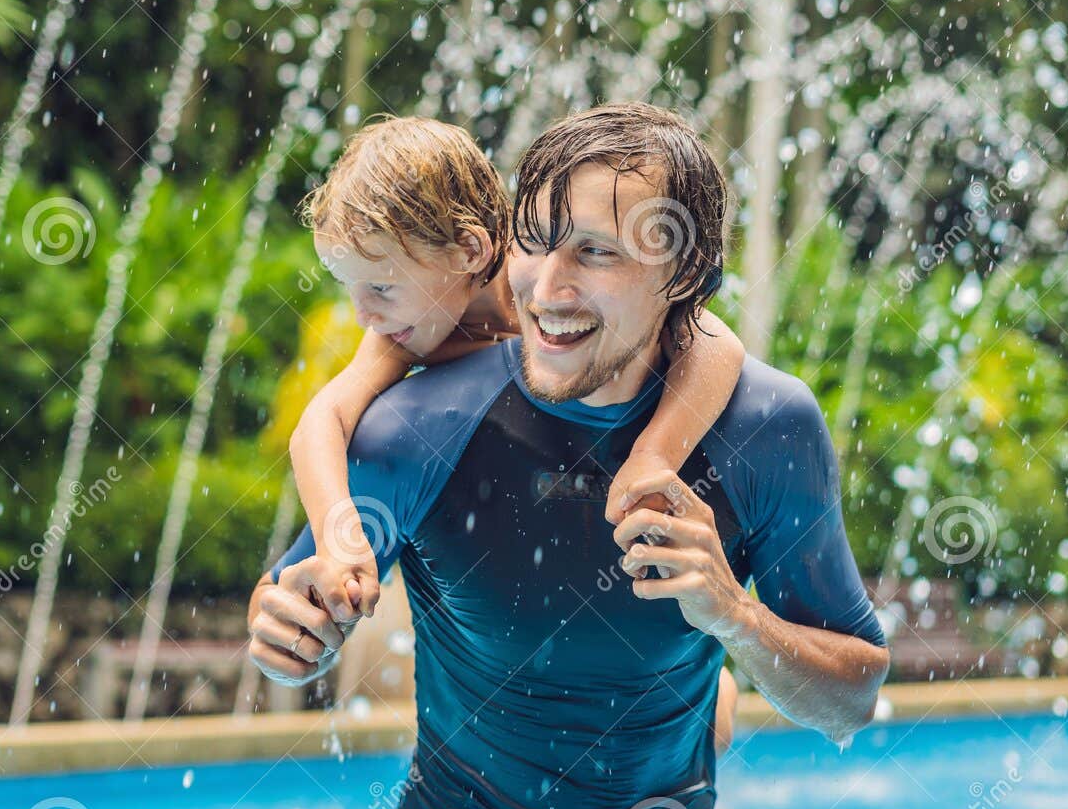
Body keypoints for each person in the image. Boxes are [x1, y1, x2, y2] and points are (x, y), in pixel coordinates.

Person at [249, 103, 889, 809]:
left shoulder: (765, 428)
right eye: (535, 239)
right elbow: (298, 590)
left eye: (595, 252)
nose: (546, 289)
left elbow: (851, 701)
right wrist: (288, 627)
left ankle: (706, 696)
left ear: (682, 273)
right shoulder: (419, 419)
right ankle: (704, 699)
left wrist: (737, 617)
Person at [285, 114, 745, 742]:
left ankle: (703, 683)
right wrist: (338, 541)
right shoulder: (406, 332)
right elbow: (323, 420)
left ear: (472, 252)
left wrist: (654, 454)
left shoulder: (542, 287)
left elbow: (715, 341)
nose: (363, 313)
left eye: (382, 287)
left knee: (689, 700)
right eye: (352, 289)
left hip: (619, 473)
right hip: (536, 502)